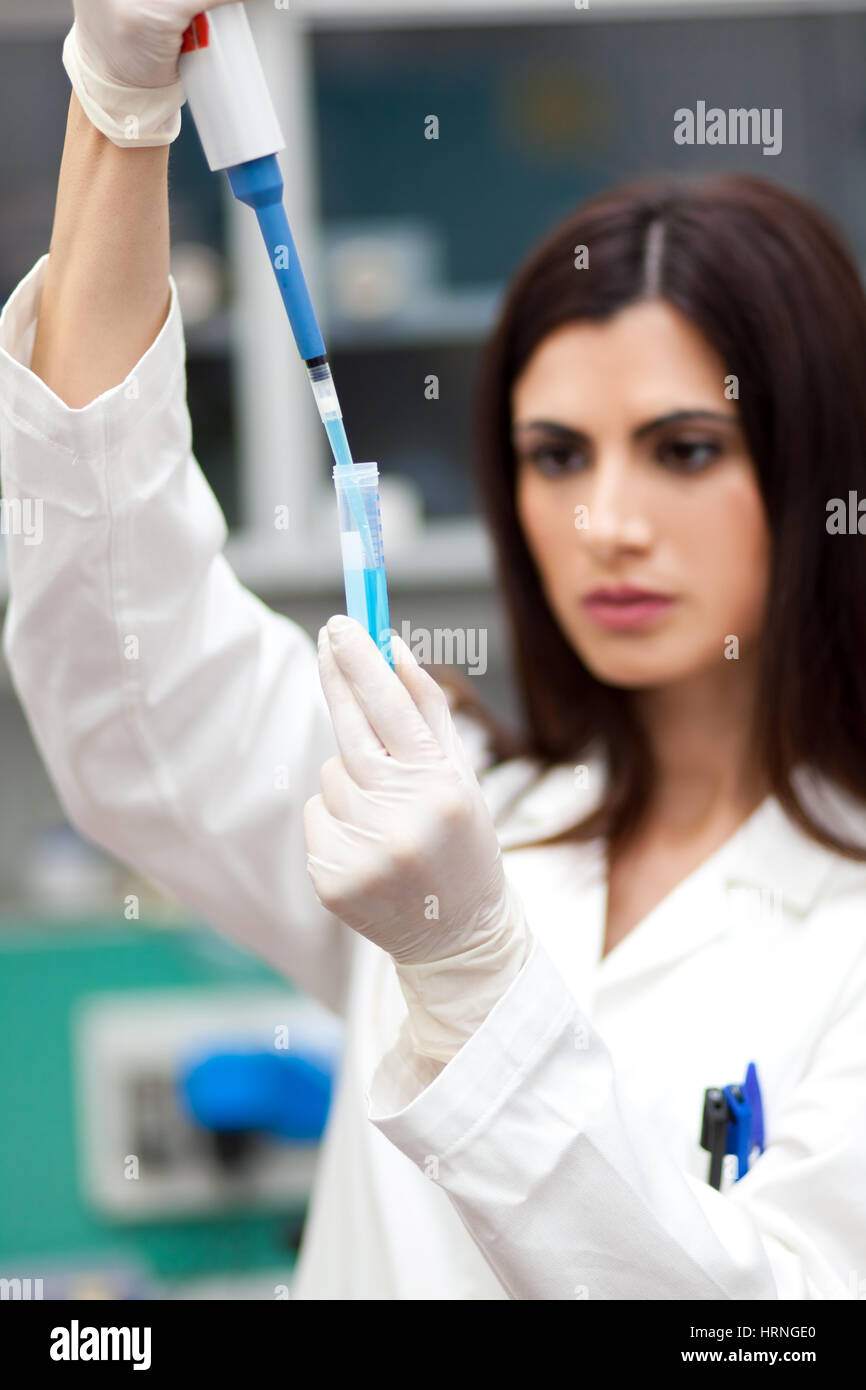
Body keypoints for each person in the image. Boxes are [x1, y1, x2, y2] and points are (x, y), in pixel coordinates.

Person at [1, 0, 865, 1301]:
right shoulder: (443, 807)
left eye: (683, 448)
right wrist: (119, 108)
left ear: (814, 471)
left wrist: (471, 968)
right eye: (553, 455)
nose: (607, 524)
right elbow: (126, 658)